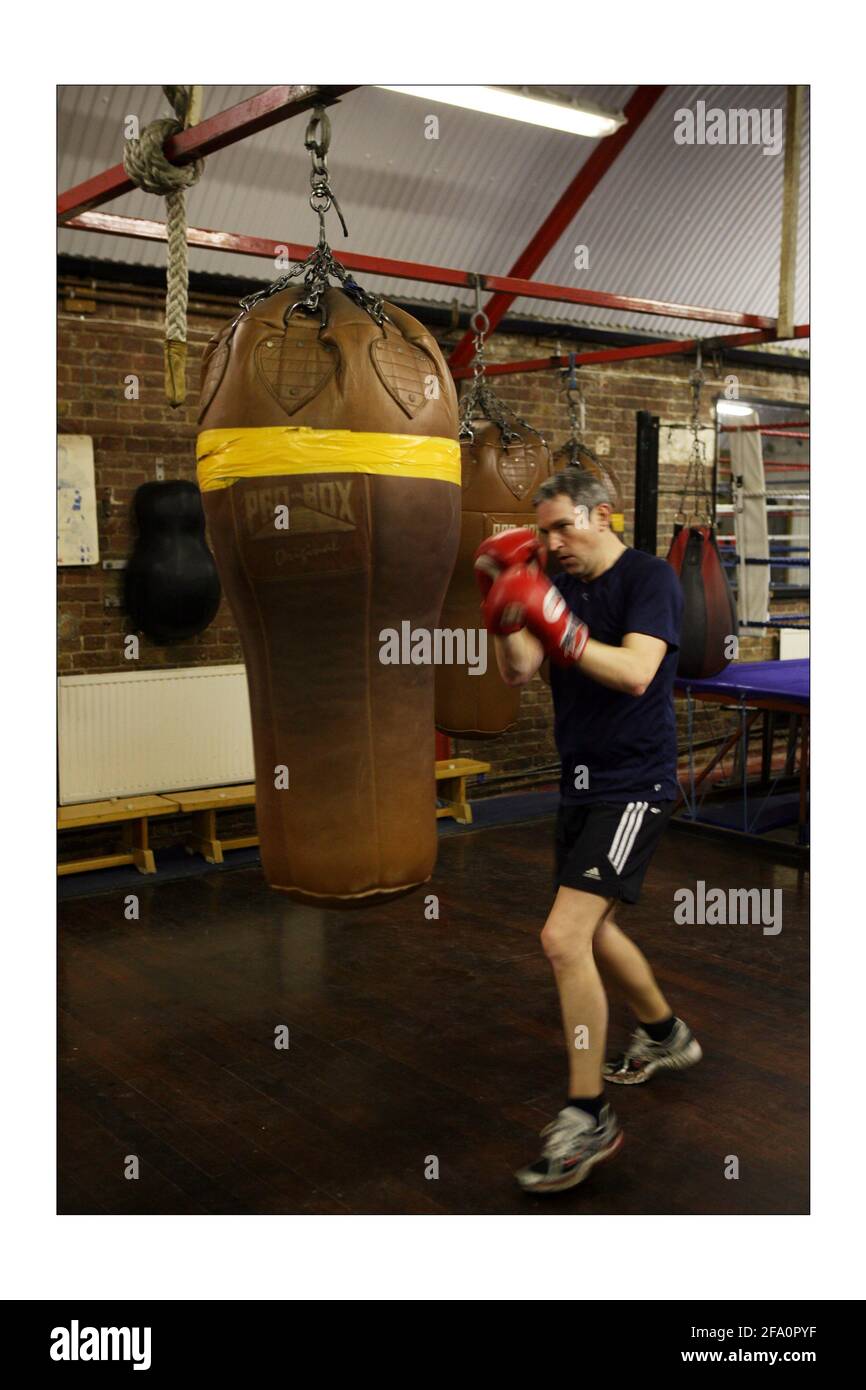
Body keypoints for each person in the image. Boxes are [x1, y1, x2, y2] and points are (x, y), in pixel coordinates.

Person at [475, 470, 702, 1195]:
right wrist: (507, 609)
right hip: (580, 778)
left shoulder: (649, 580)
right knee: (594, 930)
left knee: (562, 936)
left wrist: (555, 618)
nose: (551, 543)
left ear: (603, 515)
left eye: (562, 527)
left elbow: (637, 672)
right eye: (541, 532)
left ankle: (588, 1115)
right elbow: (520, 673)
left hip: (636, 782)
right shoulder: (553, 579)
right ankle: (667, 1035)